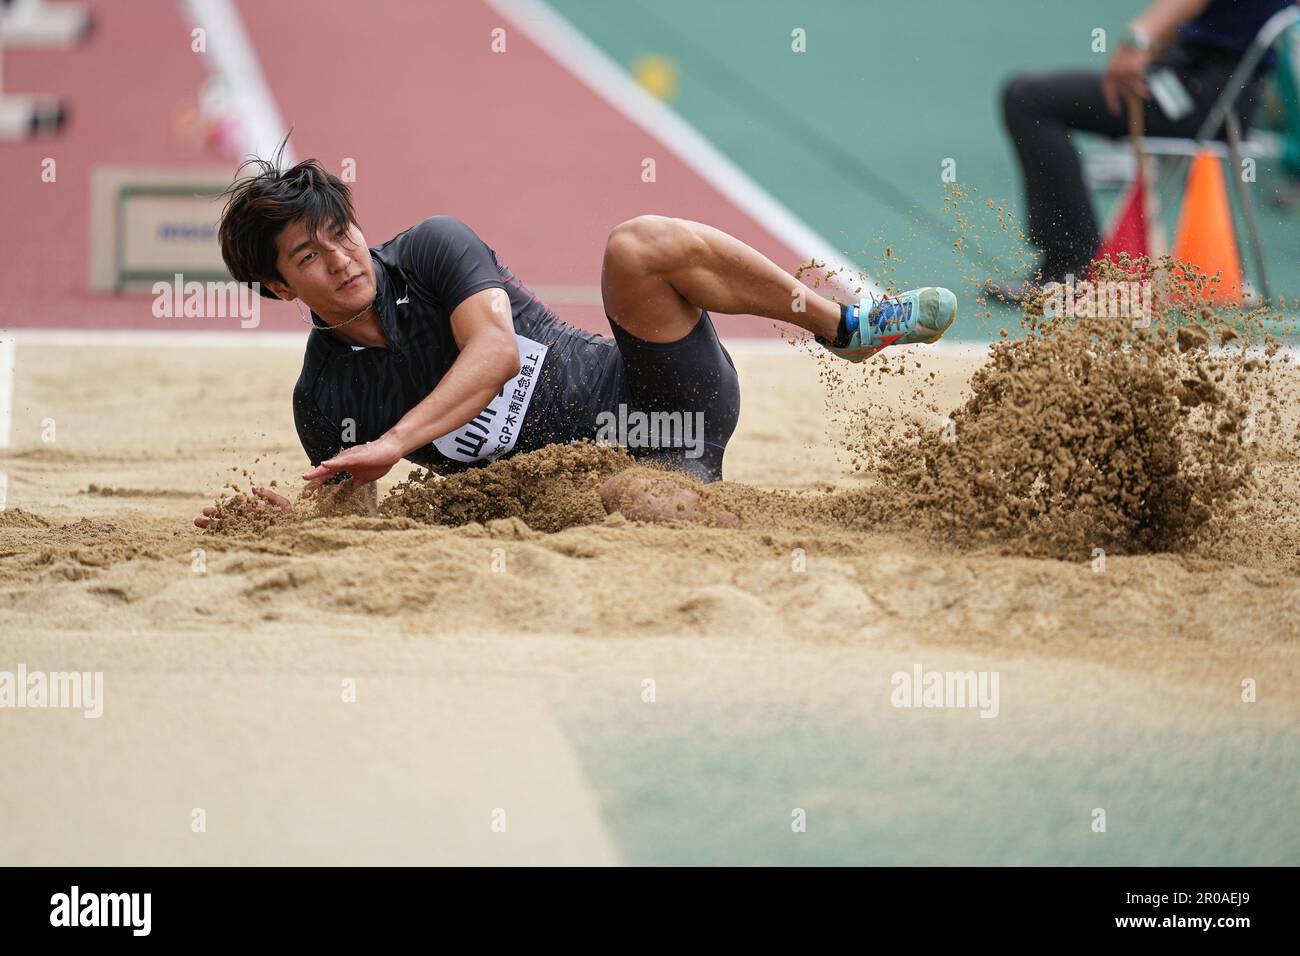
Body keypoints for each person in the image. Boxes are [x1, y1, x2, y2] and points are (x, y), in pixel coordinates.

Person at [195, 149, 956, 529]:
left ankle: (847, 326)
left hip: (658, 390)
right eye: (308, 258)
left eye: (341, 233)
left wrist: (397, 442)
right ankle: (814, 523)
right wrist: (292, 527)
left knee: (637, 244)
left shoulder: (431, 250)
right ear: (279, 289)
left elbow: (493, 354)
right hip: (608, 483)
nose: (340, 259)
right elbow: (351, 518)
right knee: (628, 499)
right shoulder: (325, 398)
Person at [997, 0, 1293, 297]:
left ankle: (1069, 267)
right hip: (1207, 84)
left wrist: (1139, 36)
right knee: (1029, 96)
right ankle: (1071, 262)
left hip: (1203, 95)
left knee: (1027, 99)